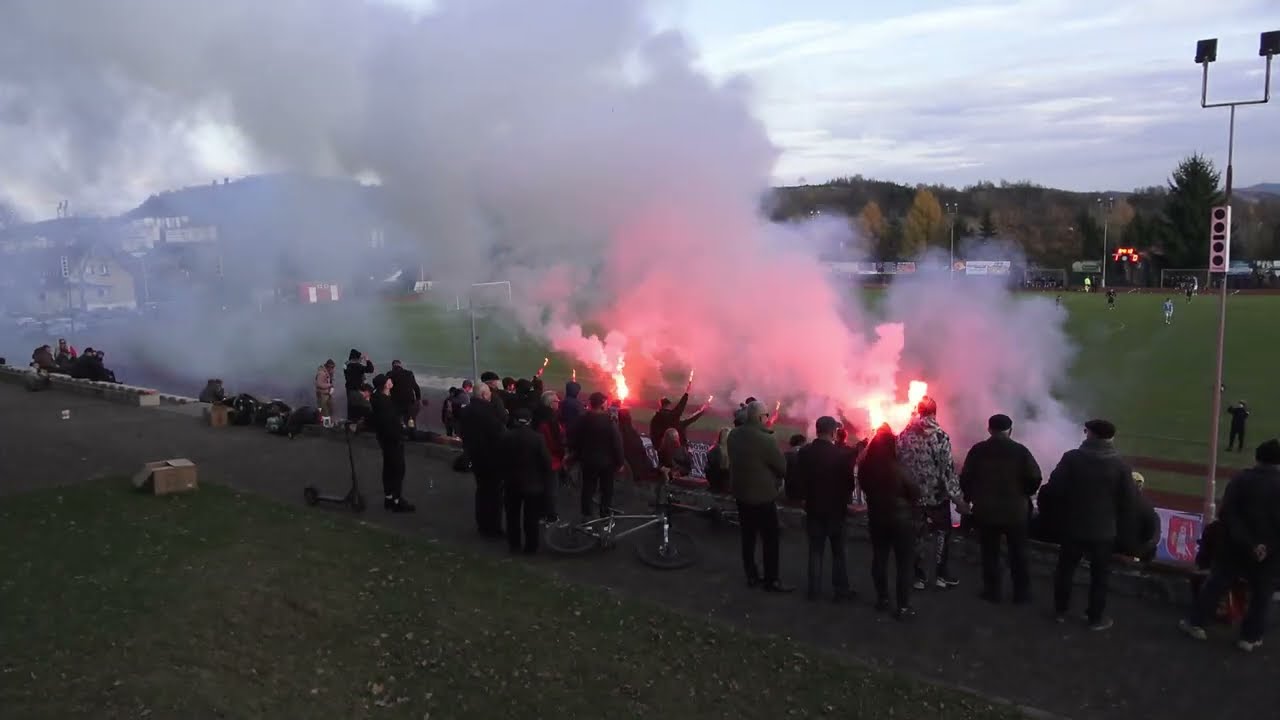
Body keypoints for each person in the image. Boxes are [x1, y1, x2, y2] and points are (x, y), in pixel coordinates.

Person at [1180, 439, 1280, 652]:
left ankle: (1195, 622)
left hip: (1235, 546)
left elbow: (1228, 514)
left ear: (1258, 457)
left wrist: (1248, 543)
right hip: (1269, 554)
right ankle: (1249, 638)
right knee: (1262, 595)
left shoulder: (1241, 479)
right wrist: (1265, 547)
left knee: (1217, 584)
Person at [1045, 419, 1136, 630]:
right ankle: (1095, 618)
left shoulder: (1072, 458)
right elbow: (1128, 501)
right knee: (1100, 576)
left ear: (1091, 434)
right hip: (1104, 531)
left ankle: (1060, 611)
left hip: (1073, 526)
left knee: (1065, 571)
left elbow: (1054, 489)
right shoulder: (1120, 465)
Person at [959, 414, 1043, 604]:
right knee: (1018, 553)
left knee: (990, 553)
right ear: (1010, 430)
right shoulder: (1020, 451)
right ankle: (1021, 595)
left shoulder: (978, 450)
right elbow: (1035, 477)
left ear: (989, 429)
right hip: (1015, 512)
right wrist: (1024, 493)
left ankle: (992, 592)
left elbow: (965, 478)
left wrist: (972, 497)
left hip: (986, 512)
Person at [896, 396, 967, 590]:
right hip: (936, 497)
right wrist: (958, 499)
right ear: (935, 412)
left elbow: (899, 462)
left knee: (917, 536)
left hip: (913, 497)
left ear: (919, 411)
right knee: (941, 535)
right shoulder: (940, 437)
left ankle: (918, 576)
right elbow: (947, 471)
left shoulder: (904, 435)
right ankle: (940, 575)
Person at [728, 400, 792, 593]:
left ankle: (751, 576)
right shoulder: (766, 439)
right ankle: (771, 580)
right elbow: (782, 468)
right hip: (763, 498)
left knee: (747, 538)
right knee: (770, 539)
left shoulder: (733, 435)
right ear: (759, 417)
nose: (767, 419)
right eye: (766, 416)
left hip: (741, 494)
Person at [858, 424, 920, 619]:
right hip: (902, 522)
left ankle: (882, 599)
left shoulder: (865, 468)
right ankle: (903, 607)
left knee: (880, 558)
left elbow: (865, 488)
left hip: (877, 518)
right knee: (904, 564)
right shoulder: (900, 468)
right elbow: (915, 493)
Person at [796, 416, 856, 602]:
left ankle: (814, 591)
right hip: (836, 512)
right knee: (838, 553)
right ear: (833, 432)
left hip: (813, 509)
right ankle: (841, 591)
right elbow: (849, 485)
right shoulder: (841, 455)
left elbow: (801, 480)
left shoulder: (805, 452)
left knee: (815, 552)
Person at [499, 408, 554, 554]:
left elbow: (500, 459)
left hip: (511, 483)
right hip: (533, 485)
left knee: (512, 517)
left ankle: (514, 545)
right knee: (531, 518)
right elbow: (547, 462)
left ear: (515, 420)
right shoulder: (537, 438)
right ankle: (531, 547)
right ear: (530, 421)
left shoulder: (506, 436)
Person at [461, 382, 508, 537]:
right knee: (494, 495)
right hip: (491, 458)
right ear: (483, 395)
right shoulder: (488, 412)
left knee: (482, 491)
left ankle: (482, 525)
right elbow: (499, 433)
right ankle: (493, 528)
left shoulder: (467, 410)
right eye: (488, 393)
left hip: (475, 457)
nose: (490, 395)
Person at [571, 392, 623, 520]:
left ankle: (586, 517)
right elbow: (617, 443)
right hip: (606, 462)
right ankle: (604, 517)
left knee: (588, 488)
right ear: (602, 404)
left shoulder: (582, 419)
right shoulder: (609, 421)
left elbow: (576, 439)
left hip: (588, 460)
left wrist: (576, 456)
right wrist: (620, 462)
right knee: (606, 490)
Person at [369, 374, 413, 512]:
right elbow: (389, 424)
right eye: (388, 380)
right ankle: (397, 501)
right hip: (393, 440)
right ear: (385, 385)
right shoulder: (384, 403)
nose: (391, 380)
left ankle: (389, 498)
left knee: (388, 468)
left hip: (385, 440)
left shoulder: (379, 399)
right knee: (398, 470)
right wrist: (401, 433)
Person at [533, 390, 567, 520]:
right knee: (551, 489)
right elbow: (555, 442)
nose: (558, 403)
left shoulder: (537, 415)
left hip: (539, 458)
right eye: (557, 401)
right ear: (551, 403)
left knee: (541, 487)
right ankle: (551, 516)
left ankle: (541, 514)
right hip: (551, 459)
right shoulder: (550, 421)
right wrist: (562, 455)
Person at [616, 409, 655, 485]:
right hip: (637, 469)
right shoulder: (633, 434)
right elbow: (641, 450)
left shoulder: (618, 433)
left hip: (628, 469)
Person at [387, 360, 422, 428]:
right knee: (410, 420)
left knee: (397, 419)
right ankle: (412, 432)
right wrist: (418, 399)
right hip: (409, 401)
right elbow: (416, 387)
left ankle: (400, 431)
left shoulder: (390, 374)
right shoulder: (409, 373)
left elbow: (386, 388)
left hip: (396, 402)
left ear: (393, 366)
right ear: (401, 365)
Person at [343, 349, 374, 416]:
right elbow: (370, 369)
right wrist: (367, 360)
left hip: (349, 388)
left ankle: (351, 420)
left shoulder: (346, 365)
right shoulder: (357, 366)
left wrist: (358, 359)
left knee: (351, 406)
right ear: (356, 358)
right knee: (360, 406)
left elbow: (349, 364)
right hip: (357, 389)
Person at [704, 427, 732, 494]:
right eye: (724, 436)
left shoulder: (734, 449)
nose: (726, 439)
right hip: (718, 477)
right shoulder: (714, 450)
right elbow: (713, 466)